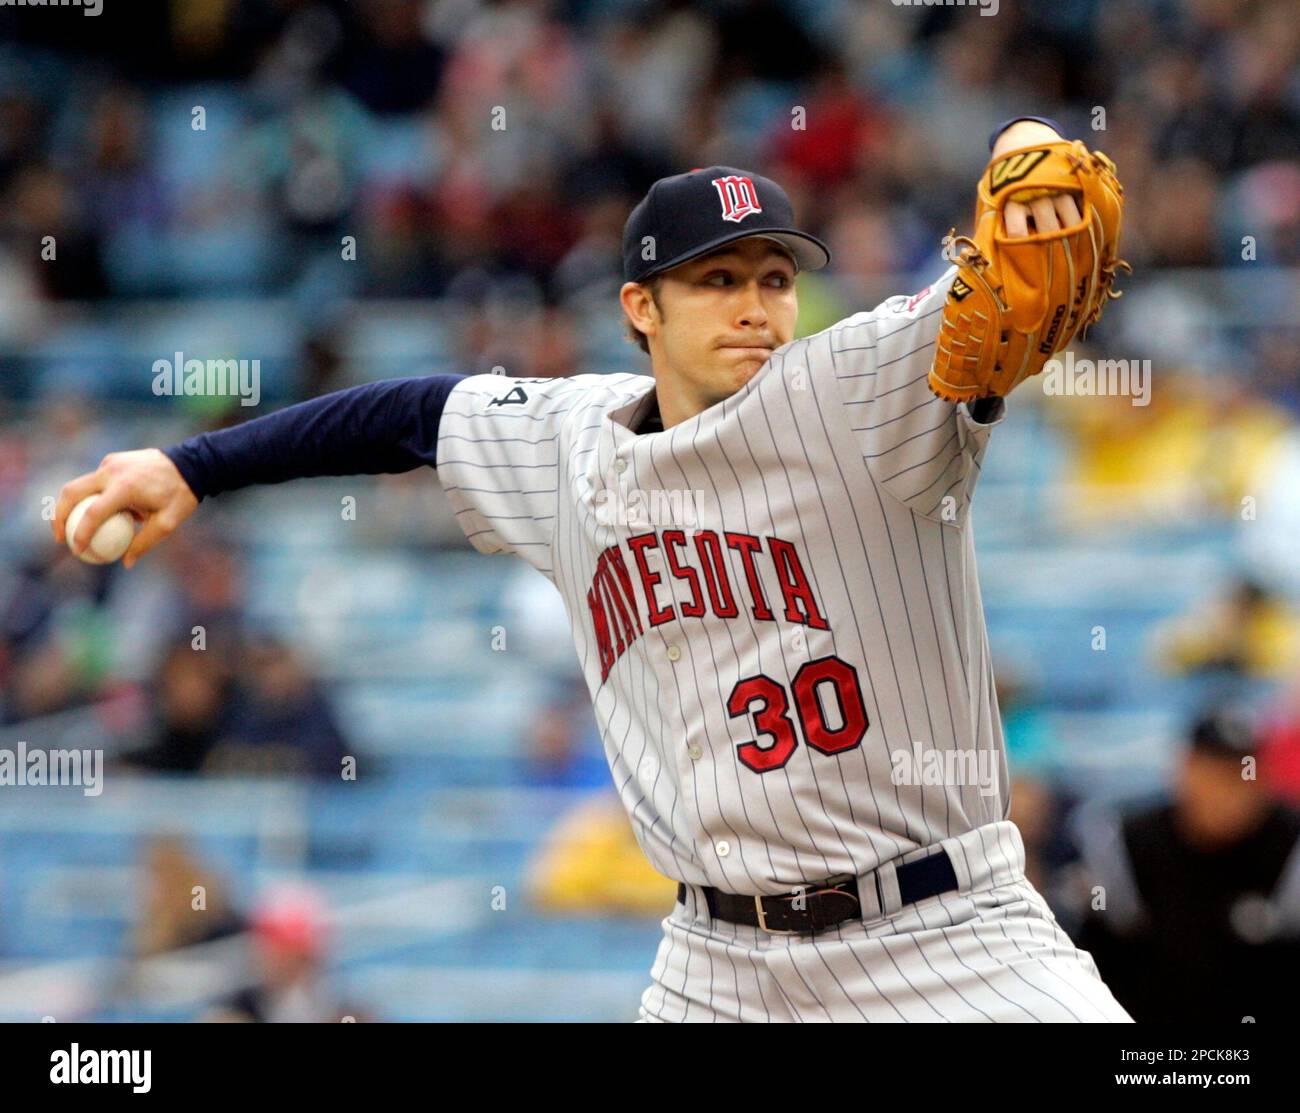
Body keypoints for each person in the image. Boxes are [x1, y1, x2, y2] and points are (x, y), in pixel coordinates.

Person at [54, 116, 1132, 1021]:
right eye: (715, 280)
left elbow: (1001, 292)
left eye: (772, 276)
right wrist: (192, 466)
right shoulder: (570, 442)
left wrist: (1025, 144)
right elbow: (409, 417)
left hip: (943, 933)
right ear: (640, 309)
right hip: (719, 963)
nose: (756, 305)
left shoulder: (858, 386)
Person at [1071, 711, 1300, 1023]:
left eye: (1239, 775)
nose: (1227, 794)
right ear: (1184, 770)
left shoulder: (1290, 846)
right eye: (1213, 775)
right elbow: (1092, 968)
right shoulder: (1127, 844)